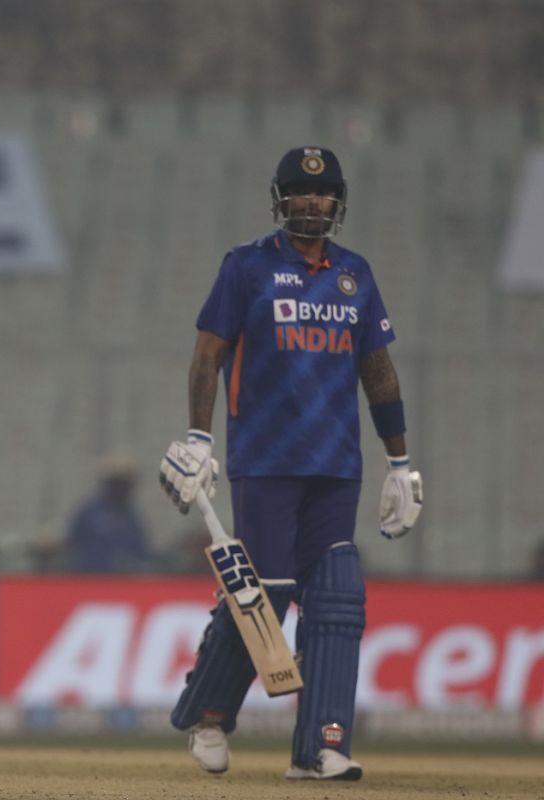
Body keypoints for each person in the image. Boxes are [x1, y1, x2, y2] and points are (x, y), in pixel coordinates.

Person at [158, 146, 423, 781]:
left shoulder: (355, 274)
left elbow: (377, 371)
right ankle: (211, 713)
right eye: (300, 192)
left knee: (337, 603)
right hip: (266, 461)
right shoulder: (246, 267)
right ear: (280, 199)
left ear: (338, 201)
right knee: (266, 599)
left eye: (324, 192)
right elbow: (207, 356)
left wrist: (400, 463)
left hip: (337, 466)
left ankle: (321, 748)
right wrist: (199, 437)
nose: (312, 201)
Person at [66, 454, 153, 572]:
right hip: (89, 579)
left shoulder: (131, 518)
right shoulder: (89, 513)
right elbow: (71, 546)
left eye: (125, 484)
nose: (122, 488)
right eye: (117, 483)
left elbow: (141, 553)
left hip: (120, 583)